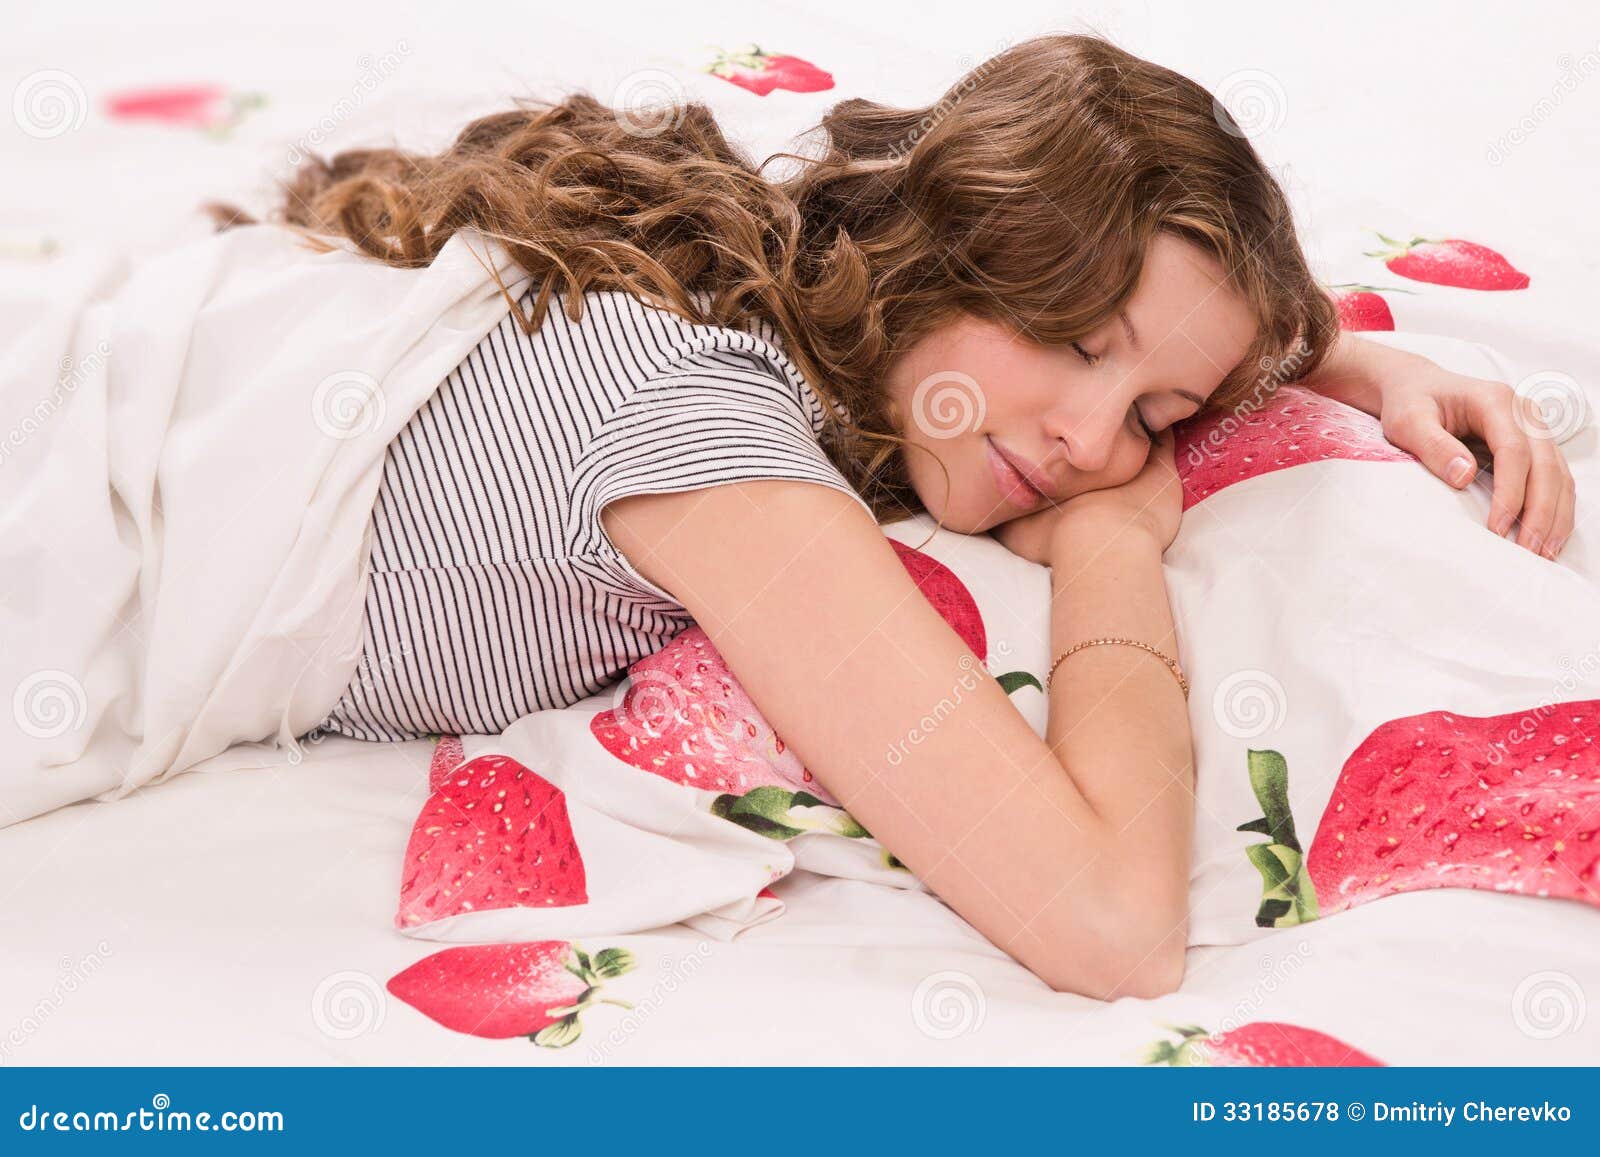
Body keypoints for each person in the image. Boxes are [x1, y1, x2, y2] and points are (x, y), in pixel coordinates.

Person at [231, 34, 1572, 997]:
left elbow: (1174, 327)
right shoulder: (711, 434)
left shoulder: (771, 272)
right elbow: (1112, 926)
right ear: (958, 240)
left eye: (1161, 416)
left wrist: (1375, 363)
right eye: (1078, 339)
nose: (1096, 444)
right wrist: (1113, 551)